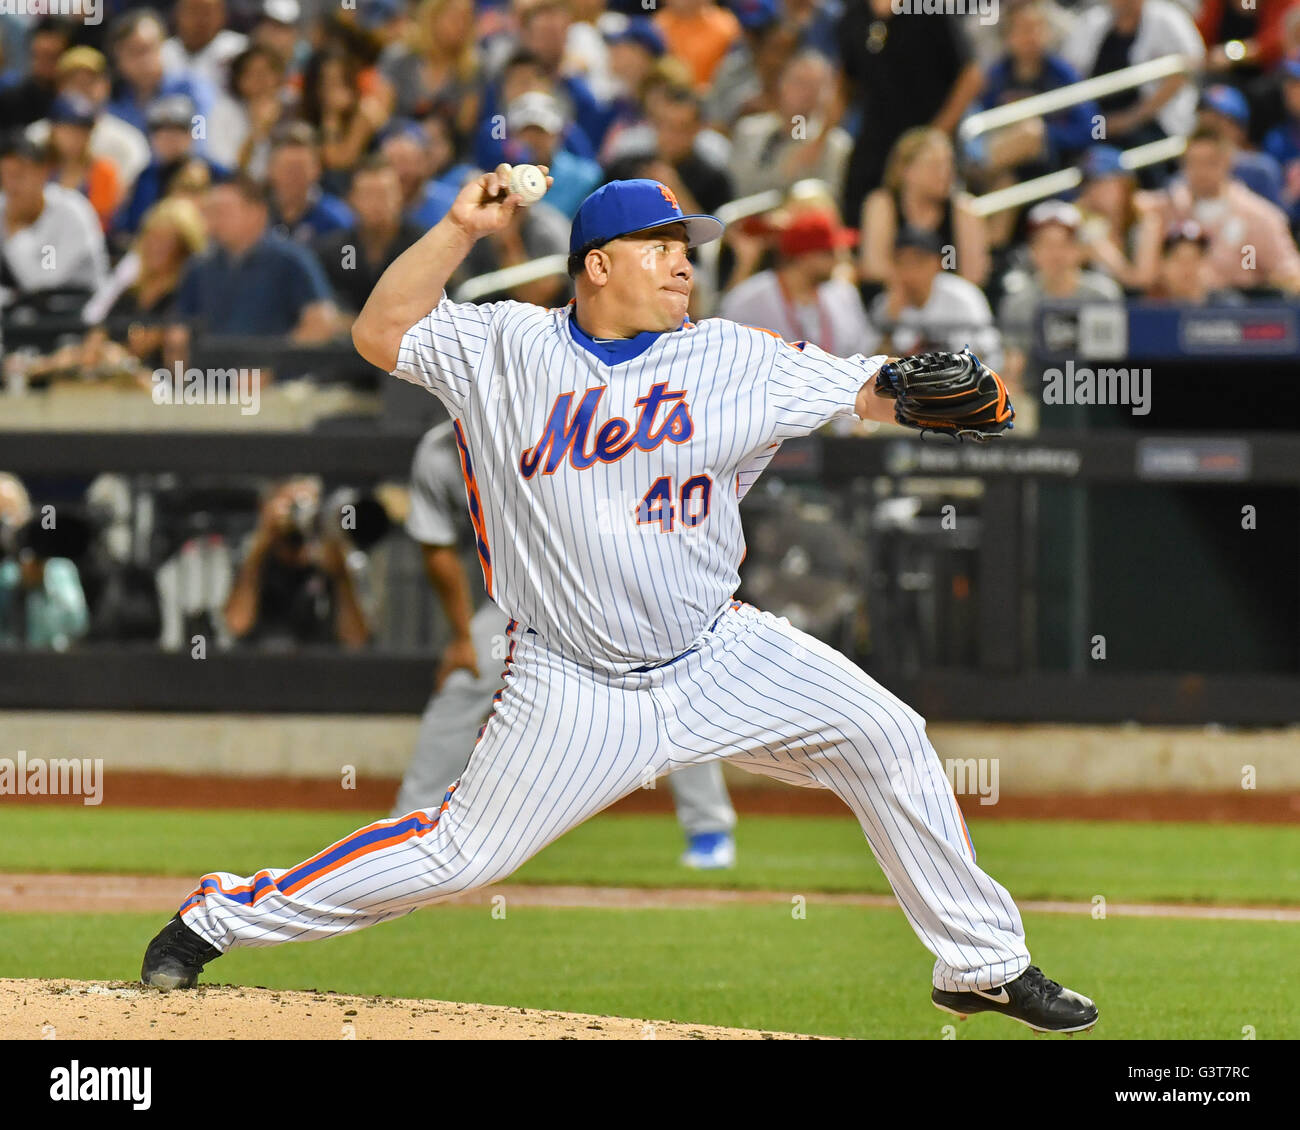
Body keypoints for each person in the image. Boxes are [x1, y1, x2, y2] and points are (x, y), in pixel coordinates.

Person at [141, 171, 1098, 1037]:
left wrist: (920, 390)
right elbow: (379, 333)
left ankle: (982, 964)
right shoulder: (505, 347)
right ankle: (216, 916)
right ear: (596, 264)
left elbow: (868, 388)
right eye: (663, 248)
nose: (685, 267)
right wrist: (458, 229)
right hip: (570, 681)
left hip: (716, 653)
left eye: (691, 251)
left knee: (887, 737)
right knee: (457, 856)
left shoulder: (729, 355)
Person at [392, 421, 740, 867]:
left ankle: (709, 831)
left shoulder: (560, 414)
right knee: (465, 677)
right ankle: (408, 825)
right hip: (524, 593)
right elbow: (435, 544)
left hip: (615, 576)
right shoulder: (440, 449)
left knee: (668, 685)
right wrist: (461, 638)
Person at [166, 173, 339, 354]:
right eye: (209, 212)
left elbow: (321, 323)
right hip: (211, 374)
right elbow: (180, 325)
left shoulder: (291, 259)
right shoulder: (200, 266)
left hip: (275, 377)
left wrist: (274, 366)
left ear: (257, 212)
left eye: (222, 211)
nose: (214, 220)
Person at [224, 477, 371, 649]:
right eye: (293, 507)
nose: (300, 517)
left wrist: (341, 574)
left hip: (322, 670)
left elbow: (356, 640)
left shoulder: (335, 560)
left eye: (309, 505)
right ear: (267, 508)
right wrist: (261, 545)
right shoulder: (250, 555)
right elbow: (236, 624)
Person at [997, 200, 1124, 393]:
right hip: (1038, 393)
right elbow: (1014, 366)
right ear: (1033, 251)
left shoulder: (1102, 295)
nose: (1056, 254)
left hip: (1099, 391)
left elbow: (1115, 360)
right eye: (1046, 245)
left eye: (1064, 244)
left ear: (1079, 249)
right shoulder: (1019, 301)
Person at [1155, 125, 1300, 292]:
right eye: (1193, 163)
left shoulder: (1258, 216)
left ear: (1227, 162)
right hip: (1178, 309)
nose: (1200, 172)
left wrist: (1272, 281)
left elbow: (1290, 273)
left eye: (1209, 162)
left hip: (1238, 308)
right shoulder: (1170, 208)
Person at [719, 208, 878, 357]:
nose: (837, 260)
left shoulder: (843, 293)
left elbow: (867, 350)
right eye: (828, 253)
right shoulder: (748, 299)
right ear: (804, 256)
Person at [1060, 0, 1205, 152]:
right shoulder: (1093, 20)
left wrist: (1130, 119)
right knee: (1073, 147)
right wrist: (1090, 118)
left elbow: (1186, 68)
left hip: (1150, 122)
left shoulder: (1167, 18)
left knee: (1138, 150)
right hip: (1098, 121)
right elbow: (1071, 69)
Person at [859, 127, 990, 289]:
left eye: (949, 164)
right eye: (934, 165)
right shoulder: (883, 204)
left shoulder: (963, 211)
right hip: (894, 301)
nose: (945, 173)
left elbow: (974, 275)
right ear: (906, 170)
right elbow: (874, 268)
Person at [870, 226, 1003, 371]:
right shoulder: (885, 304)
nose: (910, 271)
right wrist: (890, 324)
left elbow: (986, 354)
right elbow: (873, 370)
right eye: (902, 262)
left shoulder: (963, 297)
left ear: (937, 263)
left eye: (918, 261)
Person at [728, 48, 852, 201]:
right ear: (782, 84)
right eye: (799, 82)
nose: (804, 93)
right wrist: (784, 173)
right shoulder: (748, 130)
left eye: (813, 86)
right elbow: (736, 187)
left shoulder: (835, 146)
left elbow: (826, 202)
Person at [0, 133, 108, 303]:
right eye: (5, 176)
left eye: (19, 175)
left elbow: (43, 282)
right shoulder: (3, 208)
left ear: (42, 173)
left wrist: (15, 234)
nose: (12, 186)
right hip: (25, 313)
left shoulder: (69, 213)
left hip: (78, 312)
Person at [312, 156, 423, 314]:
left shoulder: (422, 246)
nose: (377, 204)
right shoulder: (337, 251)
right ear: (352, 199)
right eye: (368, 195)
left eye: (384, 194)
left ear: (400, 197)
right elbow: (330, 307)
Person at [502, 91, 603, 219]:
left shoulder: (587, 177)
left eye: (541, 131)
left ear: (558, 134)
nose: (533, 140)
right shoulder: (505, 178)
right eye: (526, 132)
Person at [266, 123, 354, 245]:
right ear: (271, 170)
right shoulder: (257, 215)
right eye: (288, 169)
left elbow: (349, 262)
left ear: (317, 170)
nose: (294, 177)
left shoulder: (338, 220)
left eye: (300, 169)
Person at [1145, 220, 1245, 303]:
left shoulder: (1228, 305)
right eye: (1179, 260)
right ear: (1164, 264)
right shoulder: (1150, 307)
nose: (1187, 268)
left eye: (1194, 259)